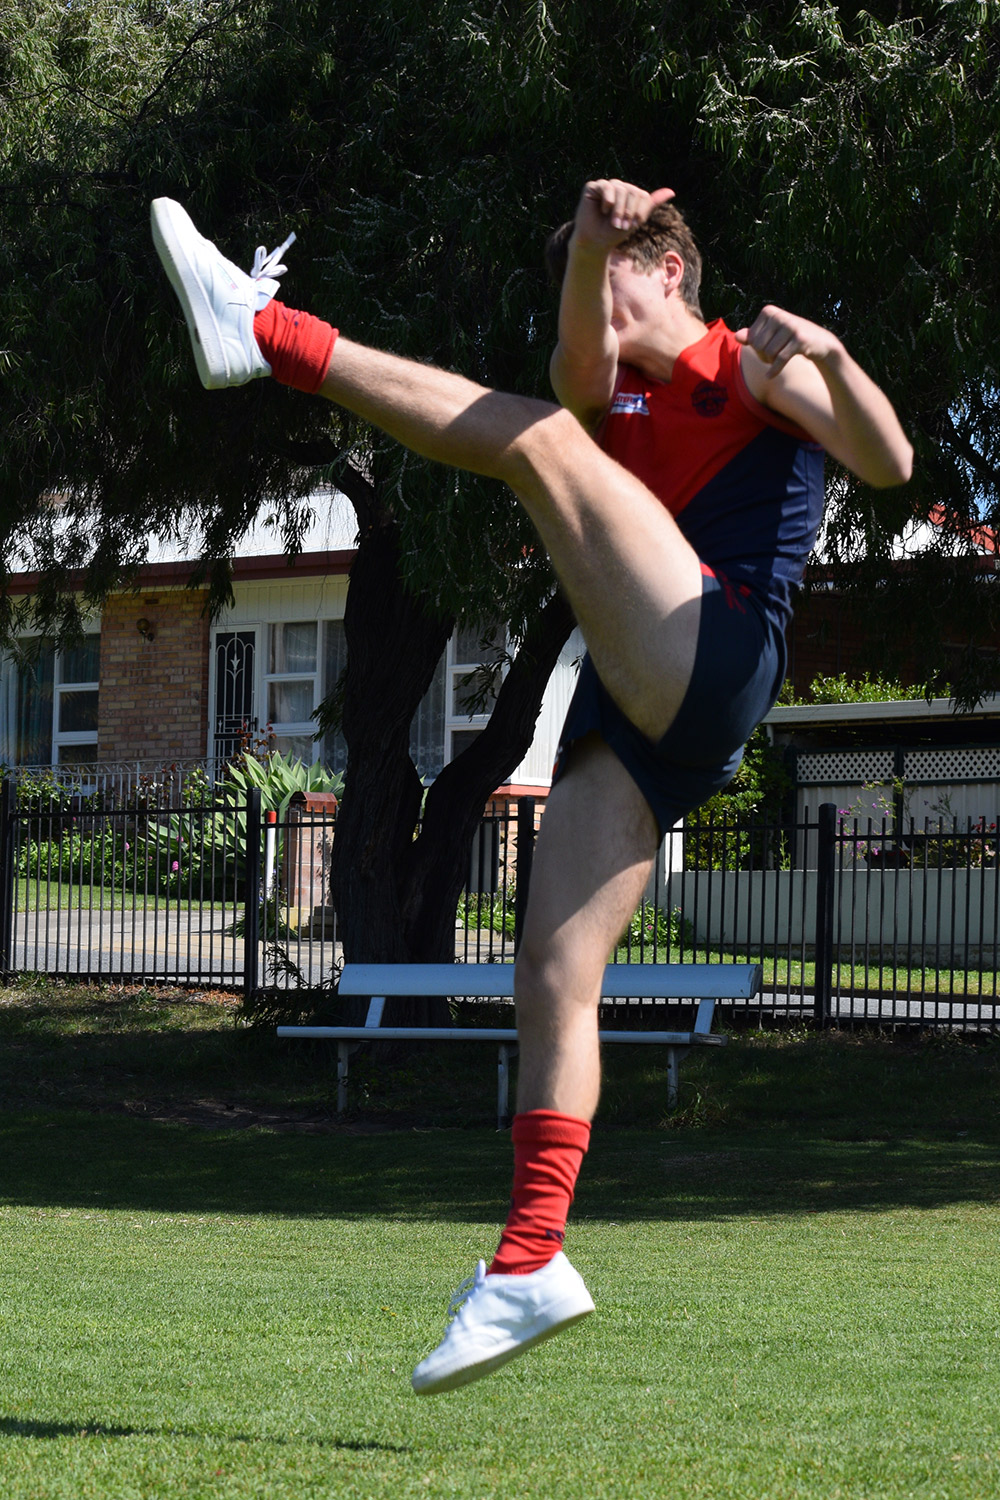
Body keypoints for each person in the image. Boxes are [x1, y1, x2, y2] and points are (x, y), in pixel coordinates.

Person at [151, 181, 912, 1396]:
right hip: (643, 696)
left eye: (607, 268)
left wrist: (826, 349)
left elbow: (888, 458)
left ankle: (268, 334)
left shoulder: (747, 367)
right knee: (551, 971)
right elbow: (566, 371)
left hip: (715, 646)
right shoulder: (601, 396)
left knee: (535, 448)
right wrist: (584, 243)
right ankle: (527, 1263)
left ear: (669, 270)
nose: (589, 299)